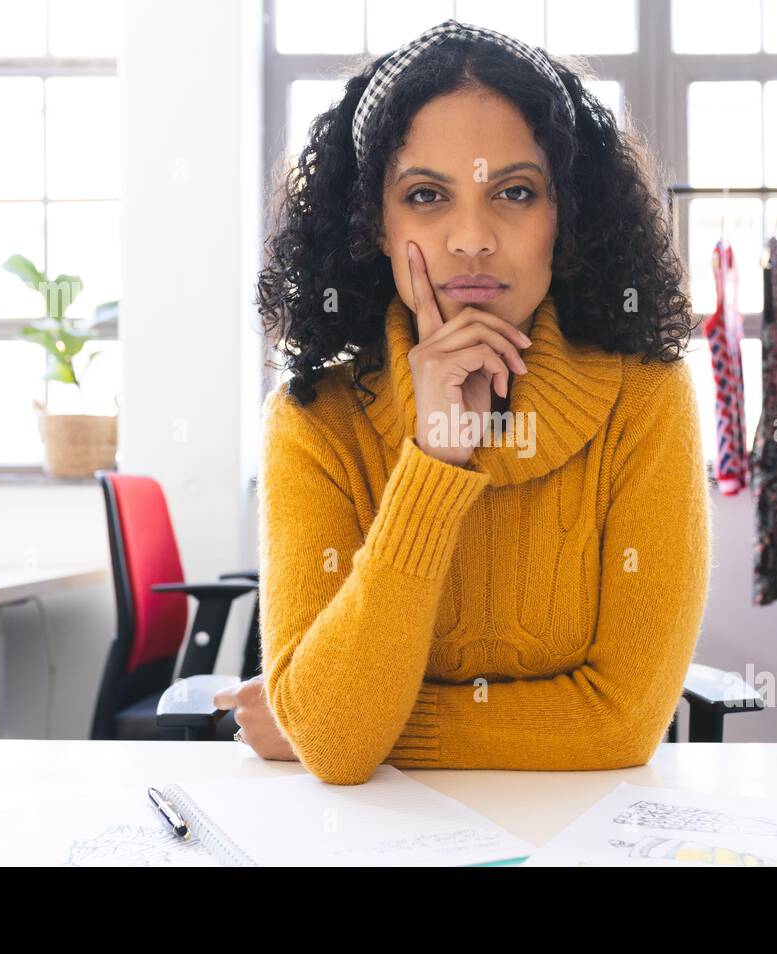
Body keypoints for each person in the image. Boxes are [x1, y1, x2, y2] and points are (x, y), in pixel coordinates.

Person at [215, 20, 710, 785]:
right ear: (375, 223)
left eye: (514, 192)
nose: (473, 238)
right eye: (426, 195)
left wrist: (339, 724)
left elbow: (622, 721)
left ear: (565, 216)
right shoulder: (312, 421)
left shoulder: (647, 399)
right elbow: (337, 746)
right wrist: (435, 456)